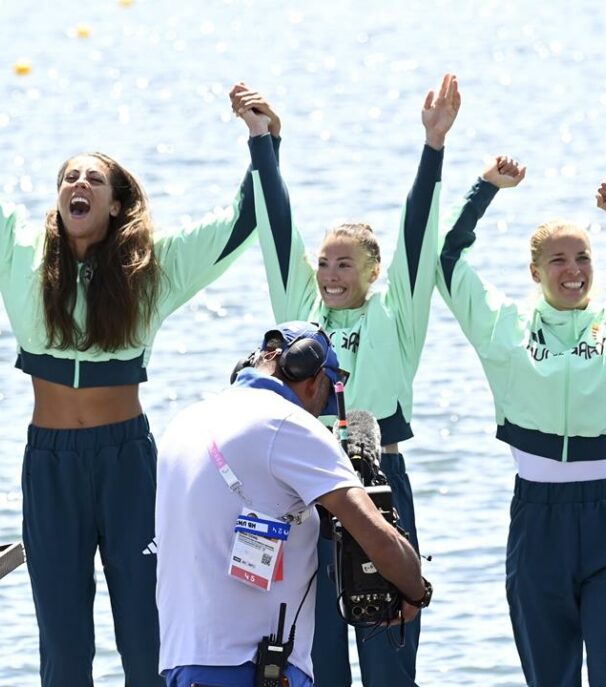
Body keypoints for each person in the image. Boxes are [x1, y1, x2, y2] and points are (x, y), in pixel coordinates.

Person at [0, 27, 272, 686]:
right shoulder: (18, 254)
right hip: (50, 465)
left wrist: (261, 137)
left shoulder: (152, 268)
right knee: (64, 644)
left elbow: (244, 220)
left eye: (92, 177)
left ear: (115, 203)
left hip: (128, 464)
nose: (76, 184)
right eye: (67, 178)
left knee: (145, 634)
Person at [436, 158, 606, 685]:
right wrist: (485, 189)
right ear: (535, 271)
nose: (573, 270)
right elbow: (443, 255)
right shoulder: (502, 326)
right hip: (539, 525)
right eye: (558, 259)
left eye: (582, 257)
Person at [230, 75, 459, 686]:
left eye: (345, 264)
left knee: (387, 654)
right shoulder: (306, 317)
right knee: (317, 659)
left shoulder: (396, 314)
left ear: (374, 271)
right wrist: (261, 142)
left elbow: (419, 235)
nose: (331, 274)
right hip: (307, 489)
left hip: (377, 481)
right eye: (325, 263)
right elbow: (278, 233)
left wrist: (433, 146)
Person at [155, 321, 430, 687]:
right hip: (252, 667)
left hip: (183, 662)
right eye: (322, 402)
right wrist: (416, 590)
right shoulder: (289, 424)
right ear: (313, 379)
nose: (319, 414)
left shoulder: (184, 423)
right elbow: (376, 537)